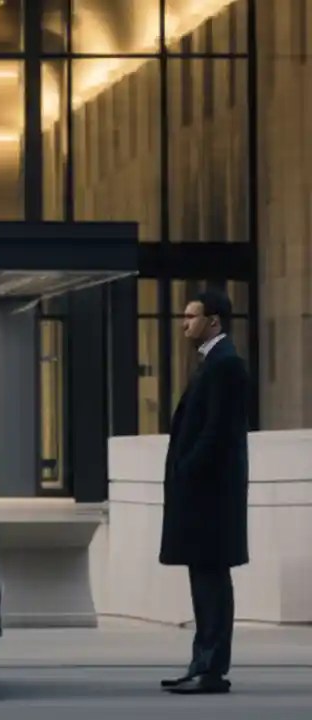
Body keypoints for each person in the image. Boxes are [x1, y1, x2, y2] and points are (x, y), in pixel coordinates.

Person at [158, 288, 250, 695]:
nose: (184, 323)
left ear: (213, 321)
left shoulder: (226, 365)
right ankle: (201, 663)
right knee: (203, 581)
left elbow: (217, 432)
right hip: (204, 496)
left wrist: (187, 469)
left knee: (212, 581)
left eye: (191, 316)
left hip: (211, 498)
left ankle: (211, 669)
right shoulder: (213, 362)